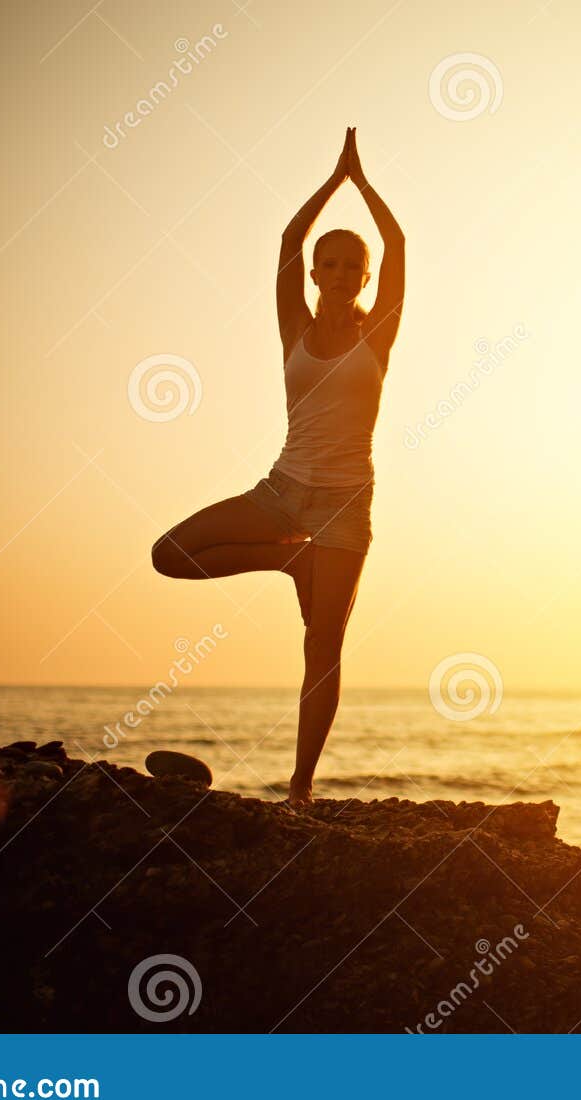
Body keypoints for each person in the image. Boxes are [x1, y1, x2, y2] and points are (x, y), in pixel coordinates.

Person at [151, 126, 405, 804]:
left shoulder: (376, 334)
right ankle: (286, 557)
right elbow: (289, 244)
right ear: (318, 274)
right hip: (281, 492)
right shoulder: (294, 324)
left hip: (348, 507)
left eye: (356, 266)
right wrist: (332, 180)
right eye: (333, 264)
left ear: (365, 278)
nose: (343, 273)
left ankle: (300, 788)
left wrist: (364, 183)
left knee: (321, 651)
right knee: (169, 554)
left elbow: (401, 246)